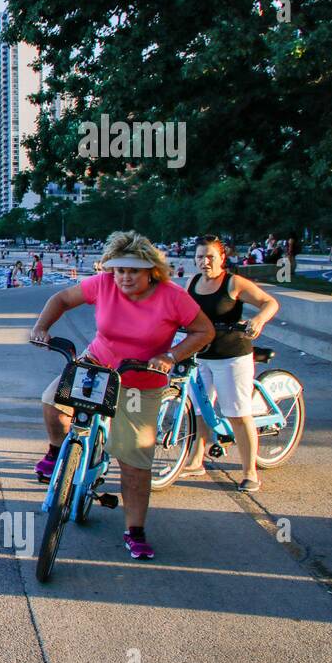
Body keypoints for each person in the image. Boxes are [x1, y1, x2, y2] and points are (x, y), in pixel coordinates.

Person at [29, 230, 215, 561]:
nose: (125, 277)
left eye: (133, 270)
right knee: (52, 402)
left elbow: (204, 331)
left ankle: (135, 530)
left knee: (133, 460)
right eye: (119, 270)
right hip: (98, 364)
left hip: (140, 379)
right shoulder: (102, 284)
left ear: (150, 271)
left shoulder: (172, 296)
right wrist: (42, 328)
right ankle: (58, 452)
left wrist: (171, 356)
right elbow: (60, 300)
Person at [182, 235, 279, 491]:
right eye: (200, 256)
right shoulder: (191, 282)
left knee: (237, 414)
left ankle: (250, 472)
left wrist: (258, 321)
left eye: (210, 256)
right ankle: (196, 460)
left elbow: (270, 303)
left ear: (222, 258)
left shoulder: (233, 282)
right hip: (201, 355)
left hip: (232, 356)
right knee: (200, 410)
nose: (205, 262)